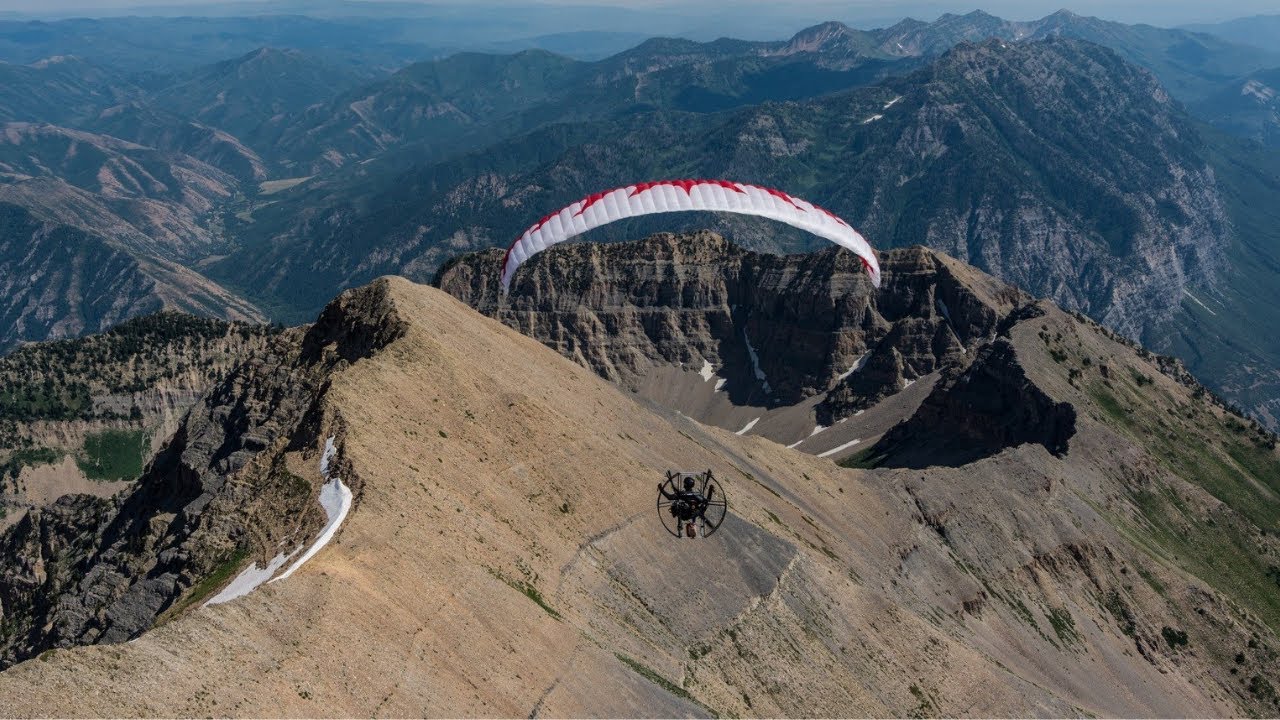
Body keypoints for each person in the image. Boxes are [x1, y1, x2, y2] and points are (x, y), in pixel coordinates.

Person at [658, 471, 717, 538]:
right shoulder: (696, 495)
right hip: (692, 515)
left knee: (679, 504)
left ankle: (680, 525)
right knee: (701, 508)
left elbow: (669, 497)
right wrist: (710, 490)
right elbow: (707, 501)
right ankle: (708, 523)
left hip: (683, 515)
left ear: (685, 485)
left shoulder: (682, 494)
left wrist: (661, 489)